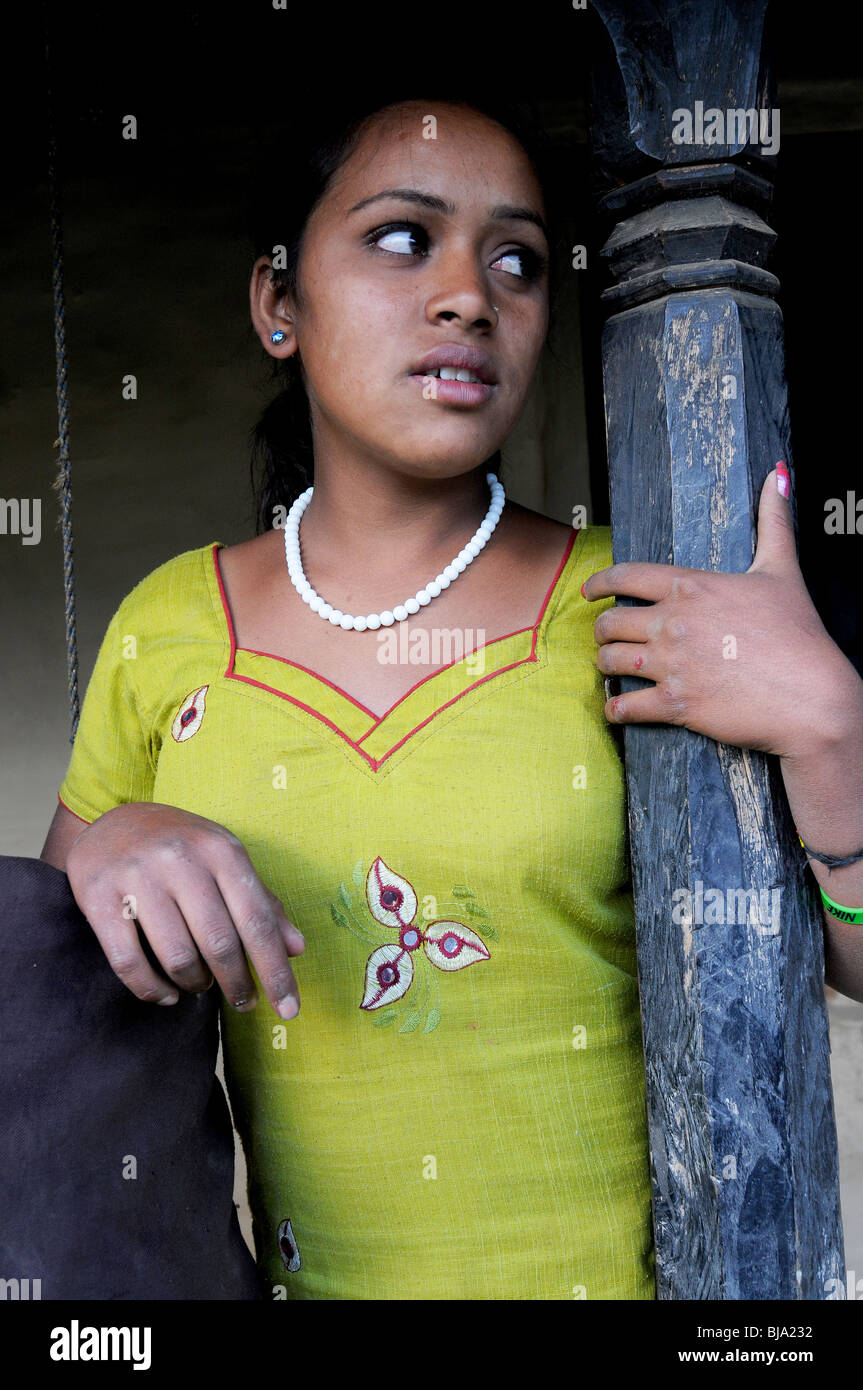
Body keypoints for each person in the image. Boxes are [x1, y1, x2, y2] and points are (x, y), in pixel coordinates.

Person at [39, 91, 863, 1301]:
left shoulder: (645, 608)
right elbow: (55, 994)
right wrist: (111, 844)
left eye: (516, 261)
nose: (469, 296)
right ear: (278, 303)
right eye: (400, 238)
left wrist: (833, 731)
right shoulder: (168, 629)